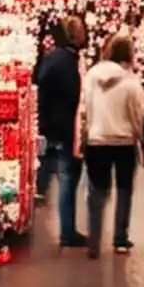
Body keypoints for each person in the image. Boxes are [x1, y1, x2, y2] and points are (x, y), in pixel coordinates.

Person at [81, 35, 144, 258]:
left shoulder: (91, 76)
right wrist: (143, 139)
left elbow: (84, 108)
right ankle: (120, 238)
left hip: (97, 139)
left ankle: (94, 239)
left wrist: (85, 132)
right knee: (124, 190)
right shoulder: (131, 82)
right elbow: (138, 115)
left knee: (96, 191)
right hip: (123, 143)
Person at [33, 14, 86, 247]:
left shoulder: (52, 58)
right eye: (82, 31)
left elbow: (40, 87)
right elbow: (70, 96)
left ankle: (33, 216)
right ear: (74, 35)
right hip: (62, 128)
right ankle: (67, 231)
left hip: (49, 126)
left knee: (45, 174)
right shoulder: (67, 62)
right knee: (67, 180)